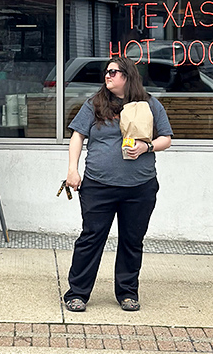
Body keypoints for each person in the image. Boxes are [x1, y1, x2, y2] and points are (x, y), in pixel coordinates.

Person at [63, 56, 173, 312]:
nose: (108, 76)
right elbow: (77, 136)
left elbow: (166, 139)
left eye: (114, 72)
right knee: (91, 238)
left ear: (128, 76)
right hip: (98, 185)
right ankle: (77, 293)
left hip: (140, 186)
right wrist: (72, 170)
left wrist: (145, 147)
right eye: (107, 72)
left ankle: (127, 292)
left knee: (132, 240)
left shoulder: (149, 104)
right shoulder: (95, 103)